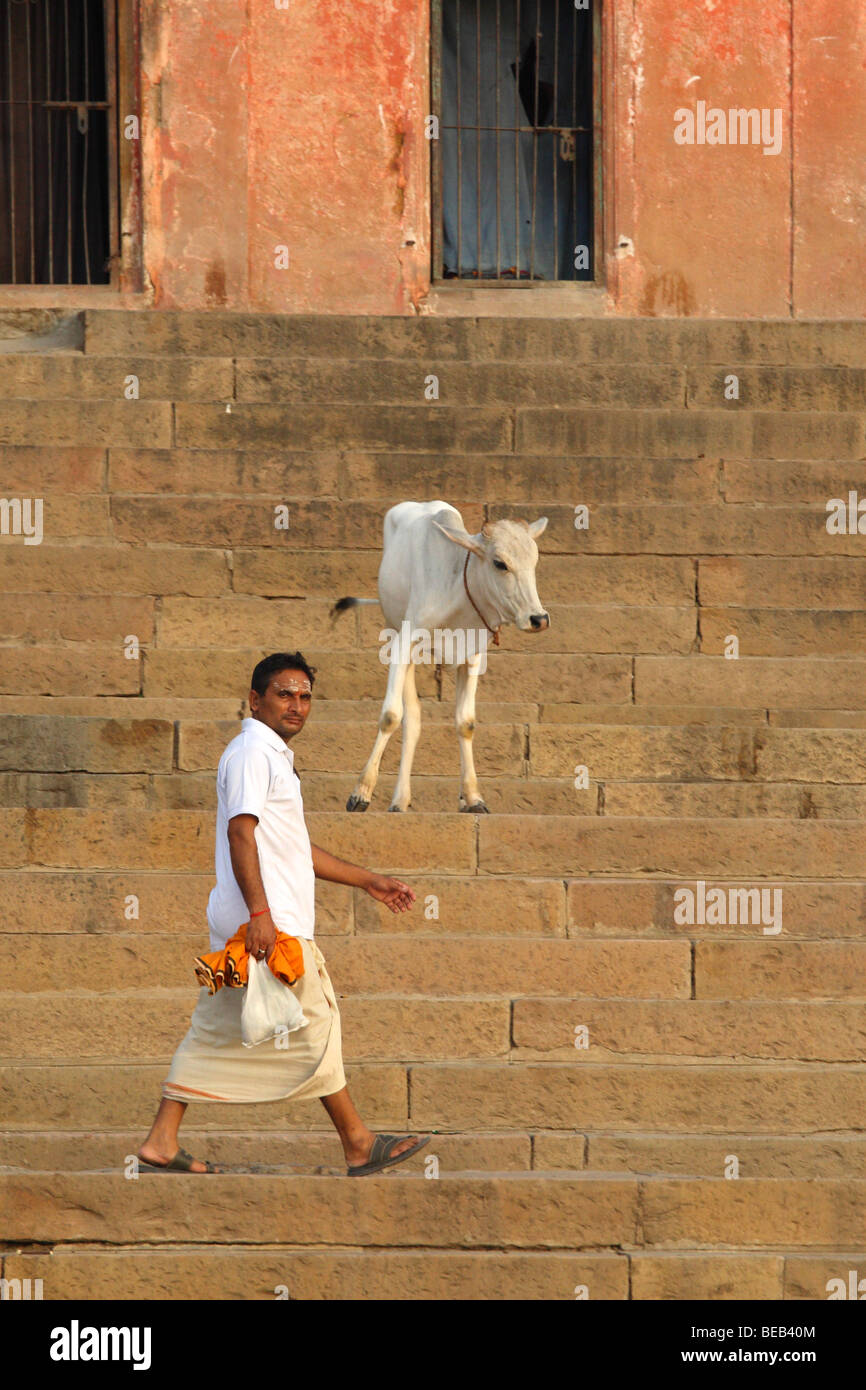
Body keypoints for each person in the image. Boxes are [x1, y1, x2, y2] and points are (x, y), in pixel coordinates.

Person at [137, 651, 430, 1177]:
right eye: (284, 694)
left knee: (213, 1031)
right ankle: (358, 1143)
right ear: (255, 700)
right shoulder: (254, 751)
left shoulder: (270, 754)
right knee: (318, 1021)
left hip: (255, 922)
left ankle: (162, 1139)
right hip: (267, 924)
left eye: (305, 696)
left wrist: (369, 881)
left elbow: (294, 848)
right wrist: (260, 913)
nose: (297, 705)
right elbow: (240, 832)